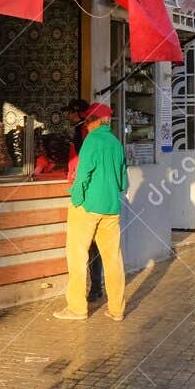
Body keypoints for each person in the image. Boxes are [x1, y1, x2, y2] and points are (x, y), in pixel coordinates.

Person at [55, 103, 128, 321]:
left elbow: (83, 175)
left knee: (77, 256)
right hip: (111, 209)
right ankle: (117, 310)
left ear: (95, 120)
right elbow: (123, 181)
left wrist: (76, 199)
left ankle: (77, 308)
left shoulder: (91, 141)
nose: (85, 124)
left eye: (87, 120)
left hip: (87, 207)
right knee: (113, 260)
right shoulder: (116, 143)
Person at [63, 98, 104, 303]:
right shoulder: (107, 140)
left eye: (69, 112)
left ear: (78, 113)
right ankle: (98, 287)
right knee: (98, 246)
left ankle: (91, 290)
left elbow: (83, 166)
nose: (68, 116)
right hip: (104, 200)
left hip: (87, 197)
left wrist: (77, 196)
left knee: (84, 246)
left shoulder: (84, 133)